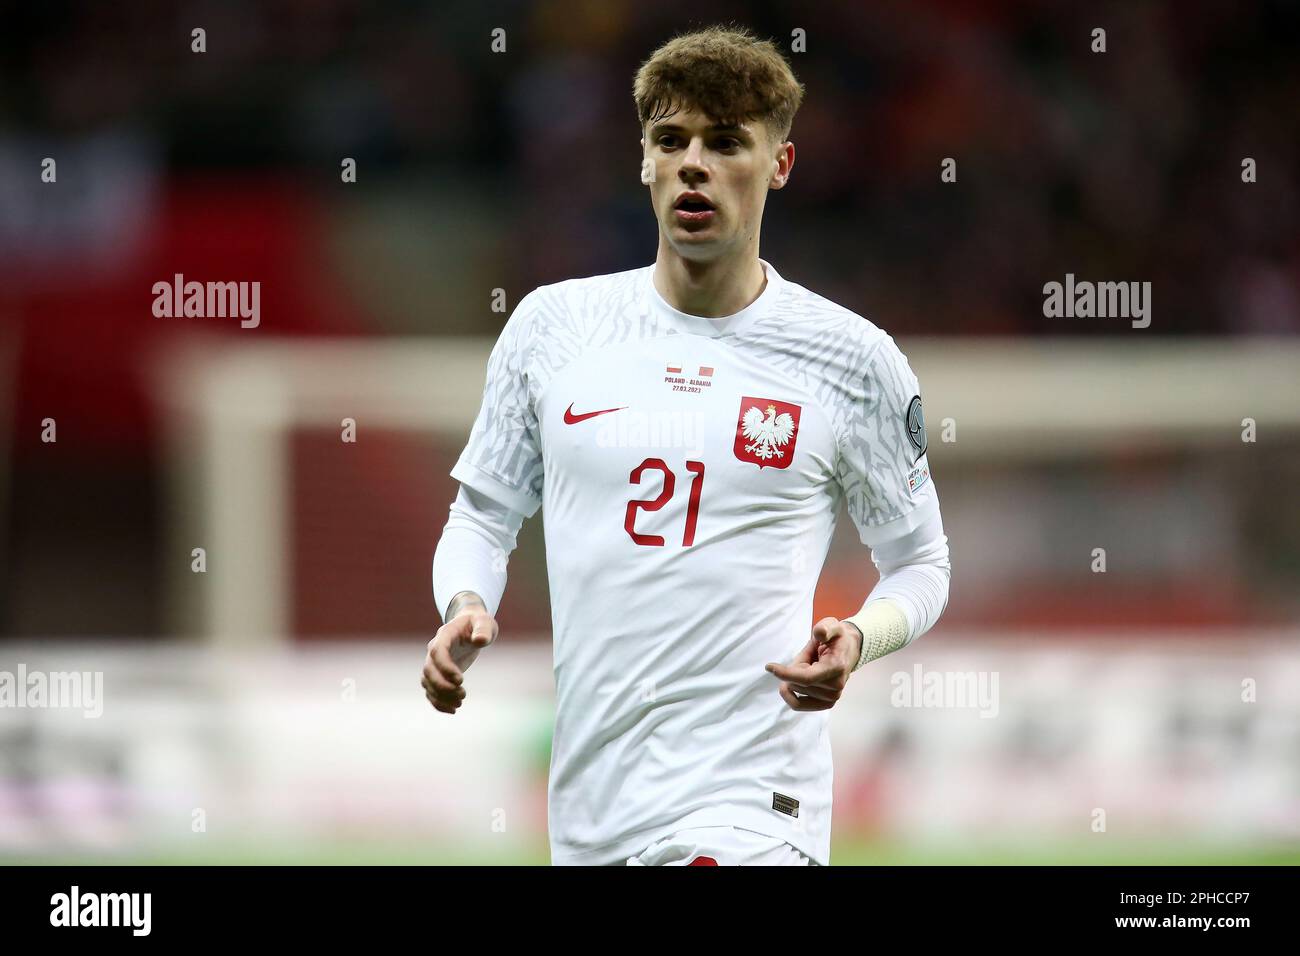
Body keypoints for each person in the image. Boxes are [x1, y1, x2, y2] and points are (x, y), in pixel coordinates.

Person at [425, 24, 950, 866]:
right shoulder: (553, 329)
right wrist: (464, 605)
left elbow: (922, 563)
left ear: (780, 163)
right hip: (594, 804)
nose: (693, 164)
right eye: (671, 141)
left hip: (754, 802)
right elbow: (482, 517)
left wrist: (859, 636)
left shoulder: (852, 360)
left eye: (726, 142)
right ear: (644, 161)